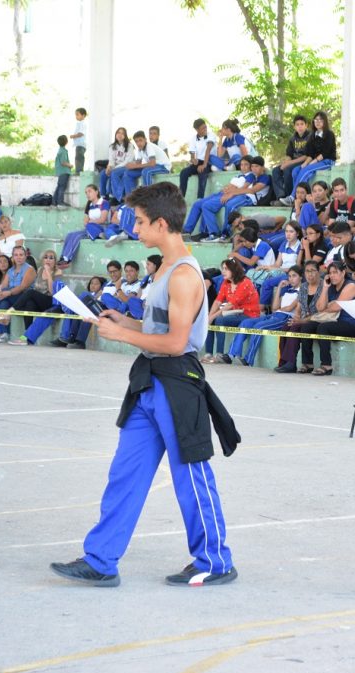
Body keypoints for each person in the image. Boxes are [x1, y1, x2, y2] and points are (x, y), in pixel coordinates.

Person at [50, 182, 238, 588]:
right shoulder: (166, 269)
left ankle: (215, 560)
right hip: (149, 382)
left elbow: (176, 342)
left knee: (190, 475)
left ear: (161, 223)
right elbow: (159, 329)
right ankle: (101, 560)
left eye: (139, 221)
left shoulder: (183, 275)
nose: (134, 228)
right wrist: (126, 322)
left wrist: (121, 336)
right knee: (126, 472)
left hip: (177, 382)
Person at [229, 265, 303, 366]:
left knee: (258, 327)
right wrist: (279, 287)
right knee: (246, 323)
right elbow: (274, 308)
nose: (291, 279)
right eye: (289, 276)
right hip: (275, 315)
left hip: (285, 318)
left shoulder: (302, 290)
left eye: (294, 276)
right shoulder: (287, 290)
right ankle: (232, 354)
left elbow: (290, 308)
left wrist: (280, 309)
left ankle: (248, 360)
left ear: (301, 277)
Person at [203, 259, 260, 364]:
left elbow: (230, 305)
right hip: (235, 313)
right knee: (211, 320)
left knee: (219, 319)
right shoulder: (226, 283)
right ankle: (208, 353)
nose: (223, 271)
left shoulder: (245, 282)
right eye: (222, 268)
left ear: (234, 270)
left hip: (248, 314)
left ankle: (219, 354)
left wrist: (212, 317)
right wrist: (209, 316)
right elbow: (218, 301)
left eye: (226, 269)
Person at [275, 260, 324, 373]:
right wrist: (296, 318)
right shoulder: (304, 287)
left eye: (313, 271)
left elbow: (321, 311)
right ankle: (283, 362)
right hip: (303, 318)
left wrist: (301, 321)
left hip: (317, 319)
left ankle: (291, 363)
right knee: (286, 327)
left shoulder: (323, 286)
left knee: (295, 328)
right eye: (307, 271)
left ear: (319, 272)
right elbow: (299, 307)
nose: (310, 274)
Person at [57, 184, 110, 268]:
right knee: (70, 235)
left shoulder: (104, 203)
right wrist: (90, 222)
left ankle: (67, 258)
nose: (87, 194)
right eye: (86, 192)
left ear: (96, 192)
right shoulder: (89, 205)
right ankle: (63, 257)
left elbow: (102, 219)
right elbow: (85, 221)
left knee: (78, 236)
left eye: (89, 191)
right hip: (90, 228)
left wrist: (91, 221)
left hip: (101, 228)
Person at [288, 111, 336, 201]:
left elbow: (325, 153)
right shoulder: (312, 136)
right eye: (316, 120)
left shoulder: (329, 134)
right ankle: (300, 197)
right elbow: (310, 153)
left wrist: (313, 162)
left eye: (320, 120)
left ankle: (293, 196)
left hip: (327, 161)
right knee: (296, 170)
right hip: (315, 162)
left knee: (306, 170)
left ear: (325, 121)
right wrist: (305, 163)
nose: (318, 122)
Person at [119, 130, 172, 198]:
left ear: (145, 140)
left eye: (140, 140)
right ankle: (131, 198)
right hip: (153, 166)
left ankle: (148, 197)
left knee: (146, 171)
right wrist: (130, 165)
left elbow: (152, 163)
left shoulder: (149, 146)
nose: (138, 143)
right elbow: (138, 163)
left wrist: (134, 166)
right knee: (128, 173)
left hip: (163, 167)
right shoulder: (139, 150)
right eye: (136, 141)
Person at [272, 115, 311, 201]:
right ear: (294, 126)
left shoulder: (310, 137)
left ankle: (289, 196)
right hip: (293, 161)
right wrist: (286, 162)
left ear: (306, 125)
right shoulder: (293, 139)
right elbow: (289, 154)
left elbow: (307, 155)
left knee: (288, 170)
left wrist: (289, 163)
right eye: (297, 124)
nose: (300, 126)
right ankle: (281, 197)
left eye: (302, 124)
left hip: (304, 161)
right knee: (276, 171)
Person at [180, 119, 220, 200]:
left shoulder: (211, 135)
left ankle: (199, 198)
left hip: (209, 161)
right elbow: (192, 155)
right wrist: (193, 160)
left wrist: (204, 165)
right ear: (197, 130)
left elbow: (208, 150)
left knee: (202, 171)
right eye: (202, 128)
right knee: (184, 172)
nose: (205, 129)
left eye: (205, 127)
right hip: (199, 162)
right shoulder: (193, 139)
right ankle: (181, 197)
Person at [101, 128, 132, 201]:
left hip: (126, 166)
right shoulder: (112, 146)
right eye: (118, 133)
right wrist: (109, 167)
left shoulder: (129, 146)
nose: (120, 135)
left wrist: (114, 168)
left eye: (122, 133)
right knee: (103, 173)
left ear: (125, 136)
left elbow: (128, 161)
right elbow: (111, 160)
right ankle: (103, 196)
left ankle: (118, 197)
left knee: (114, 173)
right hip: (115, 167)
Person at [53, 135, 73, 207]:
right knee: (62, 187)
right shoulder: (63, 151)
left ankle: (54, 202)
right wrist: (70, 165)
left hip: (60, 171)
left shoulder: (60, 150)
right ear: (66, 142)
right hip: (64, 171)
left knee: (59, 186)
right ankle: (60, 202)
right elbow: (63, 162)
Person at [70, 107, 88, 175]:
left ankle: (79, 171)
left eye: (77, 114)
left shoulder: (83, 123)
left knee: (79, 158)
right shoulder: (79, 123)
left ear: (83, 115)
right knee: (77, 157)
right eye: (75, 115)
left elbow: (81, 133)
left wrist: (73, 136)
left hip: (81, 144)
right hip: (79, 144)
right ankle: (78, 171)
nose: (76, 116)